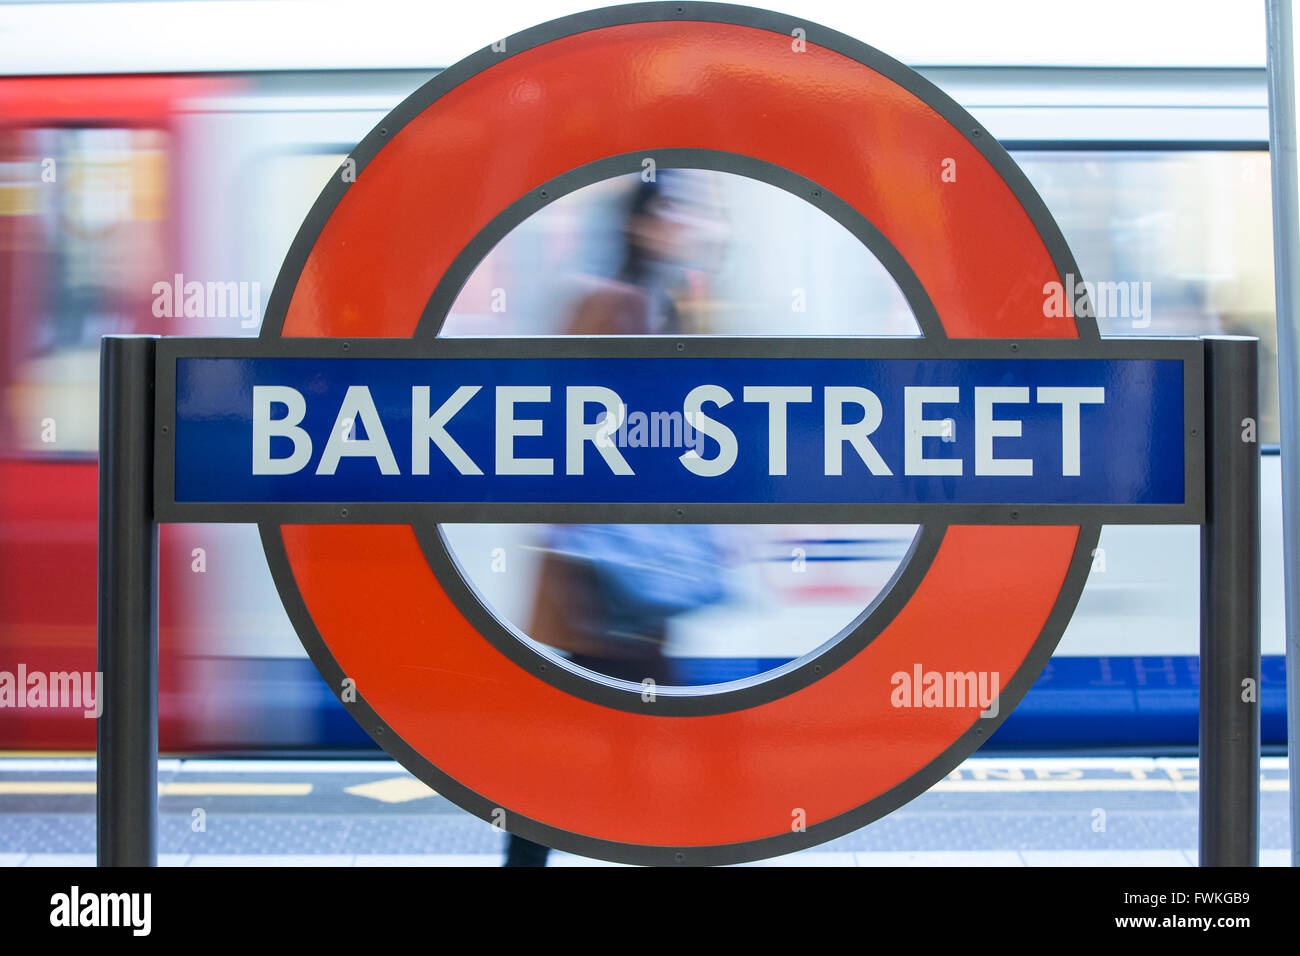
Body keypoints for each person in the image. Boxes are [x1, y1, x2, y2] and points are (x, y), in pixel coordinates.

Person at [503, 171, 729, 867]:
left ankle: (544, 852)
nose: (686, 227)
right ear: (639, 223)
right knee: (637, 724)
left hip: (615, 561)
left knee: (593, 723)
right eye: (672, 214)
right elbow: (612, 431)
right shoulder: (616, 305)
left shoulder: (647, 302)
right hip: (610, 566)